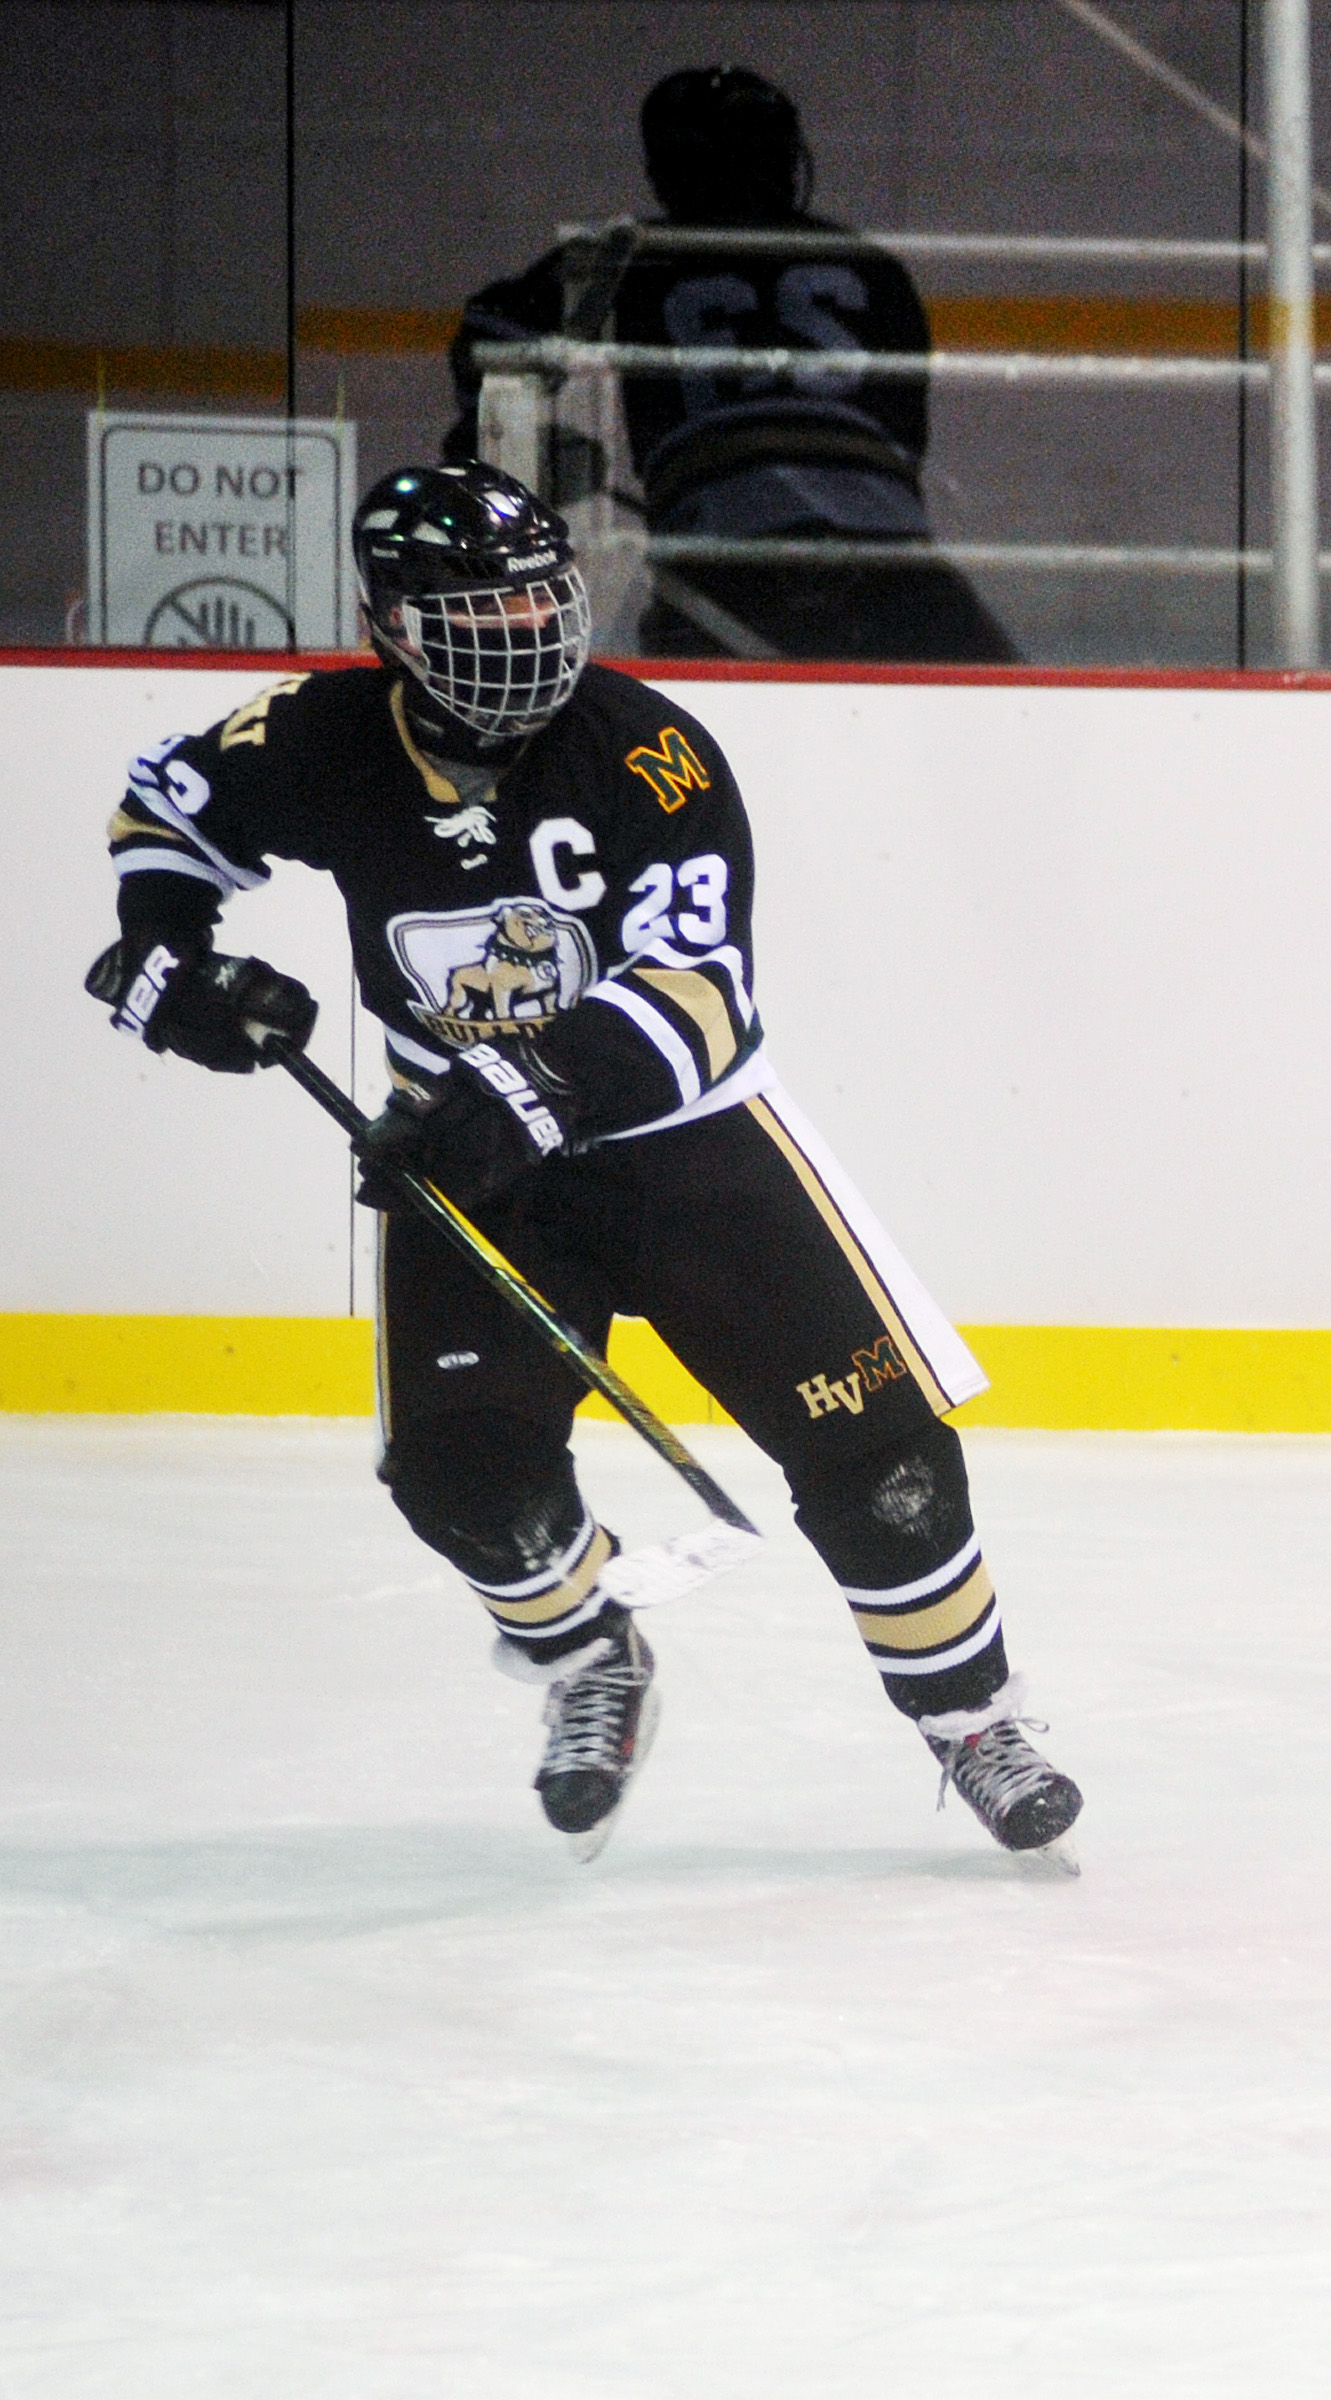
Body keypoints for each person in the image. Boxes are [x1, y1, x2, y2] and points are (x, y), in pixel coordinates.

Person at [83, 461, 1076, 1864]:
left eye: (542, 602)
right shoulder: (316, 736)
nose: (531, 634)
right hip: (468, 1160)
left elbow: (702, 988)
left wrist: (526, 1088)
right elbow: (170, 814)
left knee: (885, 1465)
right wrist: (175, 961)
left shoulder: (646, 749)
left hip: (685, 1146)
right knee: (463, 1480)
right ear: (393, 628)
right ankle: (592, 1656)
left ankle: (973, 1723)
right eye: (485, 615)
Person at [447, 64, 1020, 665]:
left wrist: (537, 449)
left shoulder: (632, 256)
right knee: (994, 690)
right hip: (886, 547)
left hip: (720, 546)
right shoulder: (869, 264)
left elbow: (490, 341)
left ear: (668, 170)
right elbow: (905, 437)